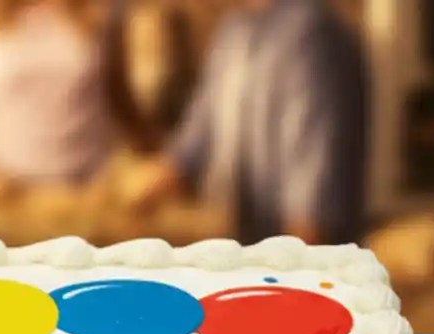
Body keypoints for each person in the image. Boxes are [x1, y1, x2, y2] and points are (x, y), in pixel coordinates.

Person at [131, 0, 368, 246]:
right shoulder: (234, 33)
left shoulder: (312, 34)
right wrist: (134, 202)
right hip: (248, 243)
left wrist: (290, 270)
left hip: (297, 261)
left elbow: (316, 190)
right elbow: (197, 138)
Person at [0, 0, 116, 210]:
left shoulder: (98, 7)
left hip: (93, 193)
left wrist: (153, 163)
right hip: (10, 196)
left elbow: (122, 101)